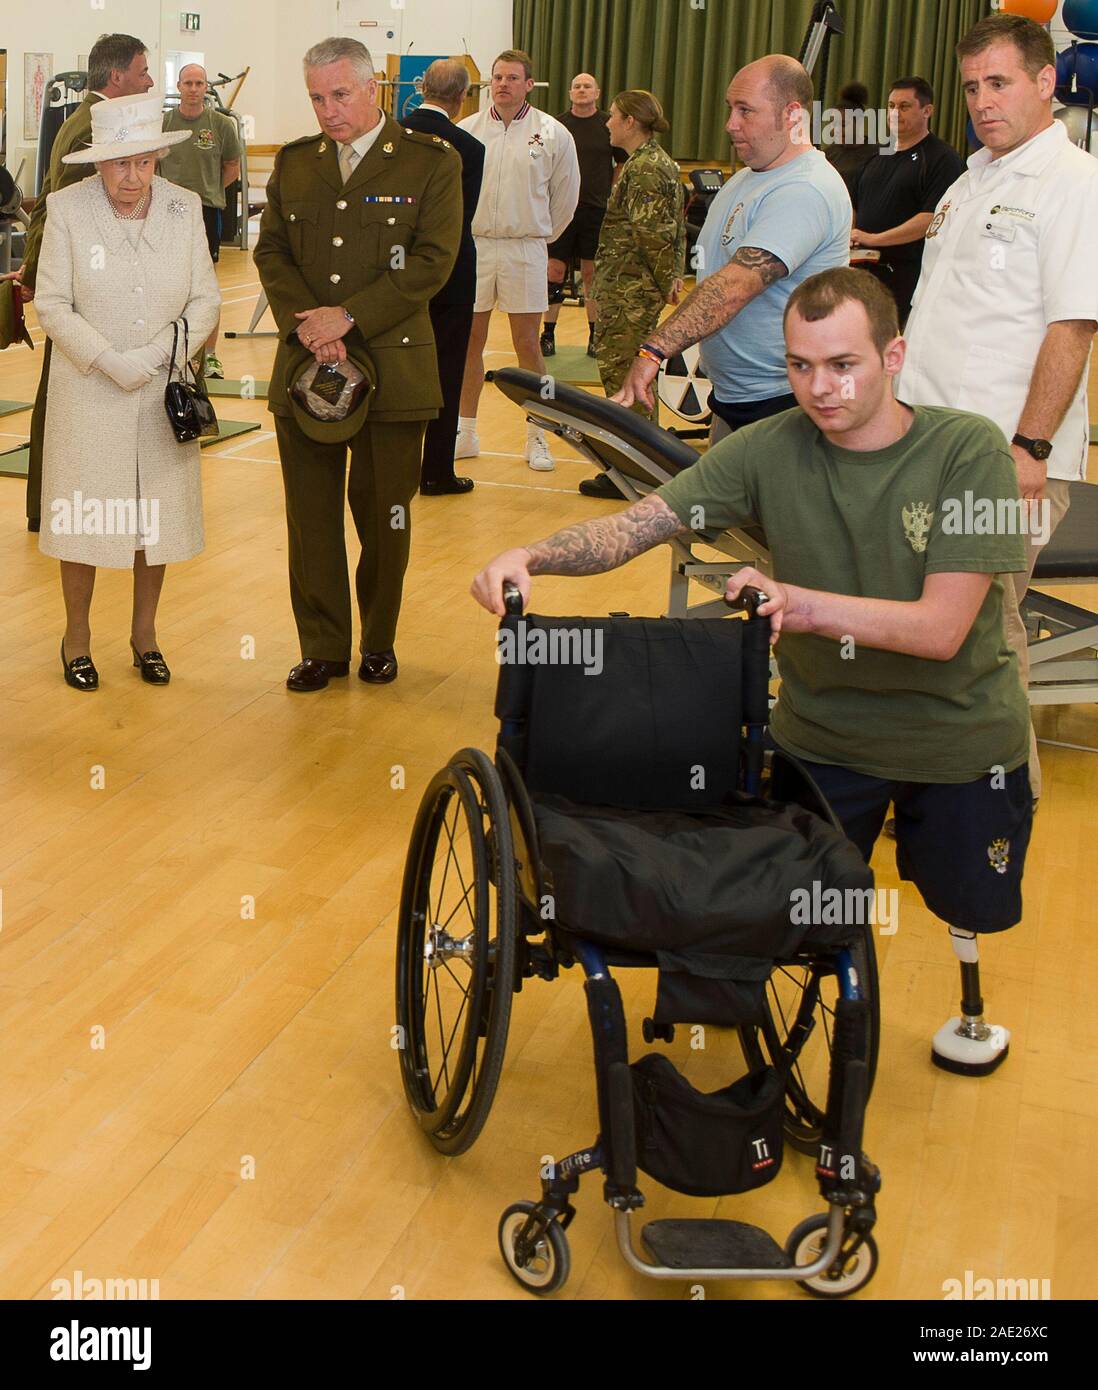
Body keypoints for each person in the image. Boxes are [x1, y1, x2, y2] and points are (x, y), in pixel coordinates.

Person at [473, 267, 1033, 1068]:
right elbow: (643, 523)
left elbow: (942, 630)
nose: (821, 388)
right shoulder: (770, 449)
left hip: (959, 739)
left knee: (968, 902)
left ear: (895, 354)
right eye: (800, 367)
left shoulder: (968, 450)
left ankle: (968, 986)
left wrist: (802, 606)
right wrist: (530, 554)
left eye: (844, 365)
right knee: (797, 913)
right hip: (826, 739)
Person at [897, 12, 1098, 802]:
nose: (984, 101)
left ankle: (1000, 801)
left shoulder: (1073, 183)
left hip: (1003, 461)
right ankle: (934, 782)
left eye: (1001, 83)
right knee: (931, 626)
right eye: (973, 86)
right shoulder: (972, 176)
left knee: (986, 634)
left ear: (1047, 82)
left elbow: (1073, 324)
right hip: (928, 448)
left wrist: (1031, 450)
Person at [253, 37, 462, 693]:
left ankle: (378, 639)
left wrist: (347, 317)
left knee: (384, 517)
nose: (328, 110)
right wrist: (310, 321)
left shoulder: (431, 163)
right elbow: (272, 253)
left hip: (394, 369)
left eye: (340, 94)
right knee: (310, 518)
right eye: (317, 97)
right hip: (307, 368)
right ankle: (323, 645)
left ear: (374, 89)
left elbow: (432, 261)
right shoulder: (296, 163)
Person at [33, 94, 219, 690]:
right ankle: (78, 639)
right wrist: (110, 360)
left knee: (152, 522)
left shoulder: (184, 208)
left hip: (161, 388)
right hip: (89, 390)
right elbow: (51, 304)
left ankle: (145, 637)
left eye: (142, 163)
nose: (132, 177)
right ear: (97, 163)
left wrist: (157, 354)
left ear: (159, 157)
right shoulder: (65, 209)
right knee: (84, 519)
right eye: (118, 165)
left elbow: (205, 299)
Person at [609, 56, 850, 457]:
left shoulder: (805, 188)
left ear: (792, 115)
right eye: (730, 109)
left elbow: (735, 286)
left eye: (745, 111)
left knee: (768, 521)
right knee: (720, 519)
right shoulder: (747, 178)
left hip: (785, 405)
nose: (730, 124)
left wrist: (654, 350)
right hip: (734, 400)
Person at [1, 33, 154, 533]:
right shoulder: (94, 124)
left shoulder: (85, 118)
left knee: (68, 392)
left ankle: (58, 501)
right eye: (142, 71)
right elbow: (65, 207)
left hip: (77, 271)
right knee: (68, 394)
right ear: (116, 77)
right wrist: (45, 271)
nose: (149, 80)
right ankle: (55, 503)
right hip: (84, 280)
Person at [455, 49, 580, 473]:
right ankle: (465, 431)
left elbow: (566, 197)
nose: (503, 84)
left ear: (529, 84)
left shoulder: (553, 133)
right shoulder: (467, 130)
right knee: (469, 341)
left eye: (512, 77)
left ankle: (538, 434)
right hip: (476, 247)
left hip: (525, 246)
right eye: (498, 77)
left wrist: (540, 238)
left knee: (527, 344)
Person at [576, 90, 685, 497]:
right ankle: (641, 466)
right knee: (629, 376)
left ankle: (635, 470)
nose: (607, 123)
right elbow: (671, 229)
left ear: (631, 122)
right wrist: (670, 274)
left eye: (614, 116)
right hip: (632, 283)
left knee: (625, 377)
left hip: (631, 287)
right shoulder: (650, 163)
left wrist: (663, 280)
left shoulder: (645, 169)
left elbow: (652, 232)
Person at [404, 58, 485, 496]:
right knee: (445, 370)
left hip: (394, 271)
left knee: (392, 366)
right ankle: (436, 471)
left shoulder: (392, 136)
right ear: (460, 98)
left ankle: (388, 466)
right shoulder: (469, 148)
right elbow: (459, 218)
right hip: (451, 272)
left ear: (421, 88)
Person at [849, 77, 963, 326]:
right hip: (862, 274)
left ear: (927, 110)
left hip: (906, 280)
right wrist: (851, 234)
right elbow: (854, 204)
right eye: (891, 106)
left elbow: (932, 219)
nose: (895, 113)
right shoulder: (878, 154)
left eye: (904, 106)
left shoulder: (942, 159)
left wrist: (875, 239)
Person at [158, 64, 242, 378]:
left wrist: (208, 193)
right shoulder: (164, 124)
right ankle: (174, 351)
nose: (194, 89)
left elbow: (231, 166)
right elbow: (152, 166)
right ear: (178, 86)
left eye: (199, 83)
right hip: (167, 212)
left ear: (206, 87)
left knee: (206, 287)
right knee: (169, 284)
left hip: (206, 212)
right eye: (188, 83)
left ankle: (209, 355)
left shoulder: (221, 125)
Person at [539, 72, 626, 361]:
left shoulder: (607, 124)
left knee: (592, 274)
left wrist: (610, 191)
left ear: (597, 92)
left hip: (595, 209)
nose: (582, 90)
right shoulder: (556, 125)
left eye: (587, 86)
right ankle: (547, 334)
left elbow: (621, 162)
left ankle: (594, 335)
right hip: (562, 209)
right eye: (576, 85)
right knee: (554, 271)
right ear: (570, 92)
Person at [825, 80, 879, 200]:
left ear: (859, 123)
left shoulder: (877, 155)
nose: (837, 130)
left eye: (843, 124)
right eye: (834, 124)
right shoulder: (828, 154)